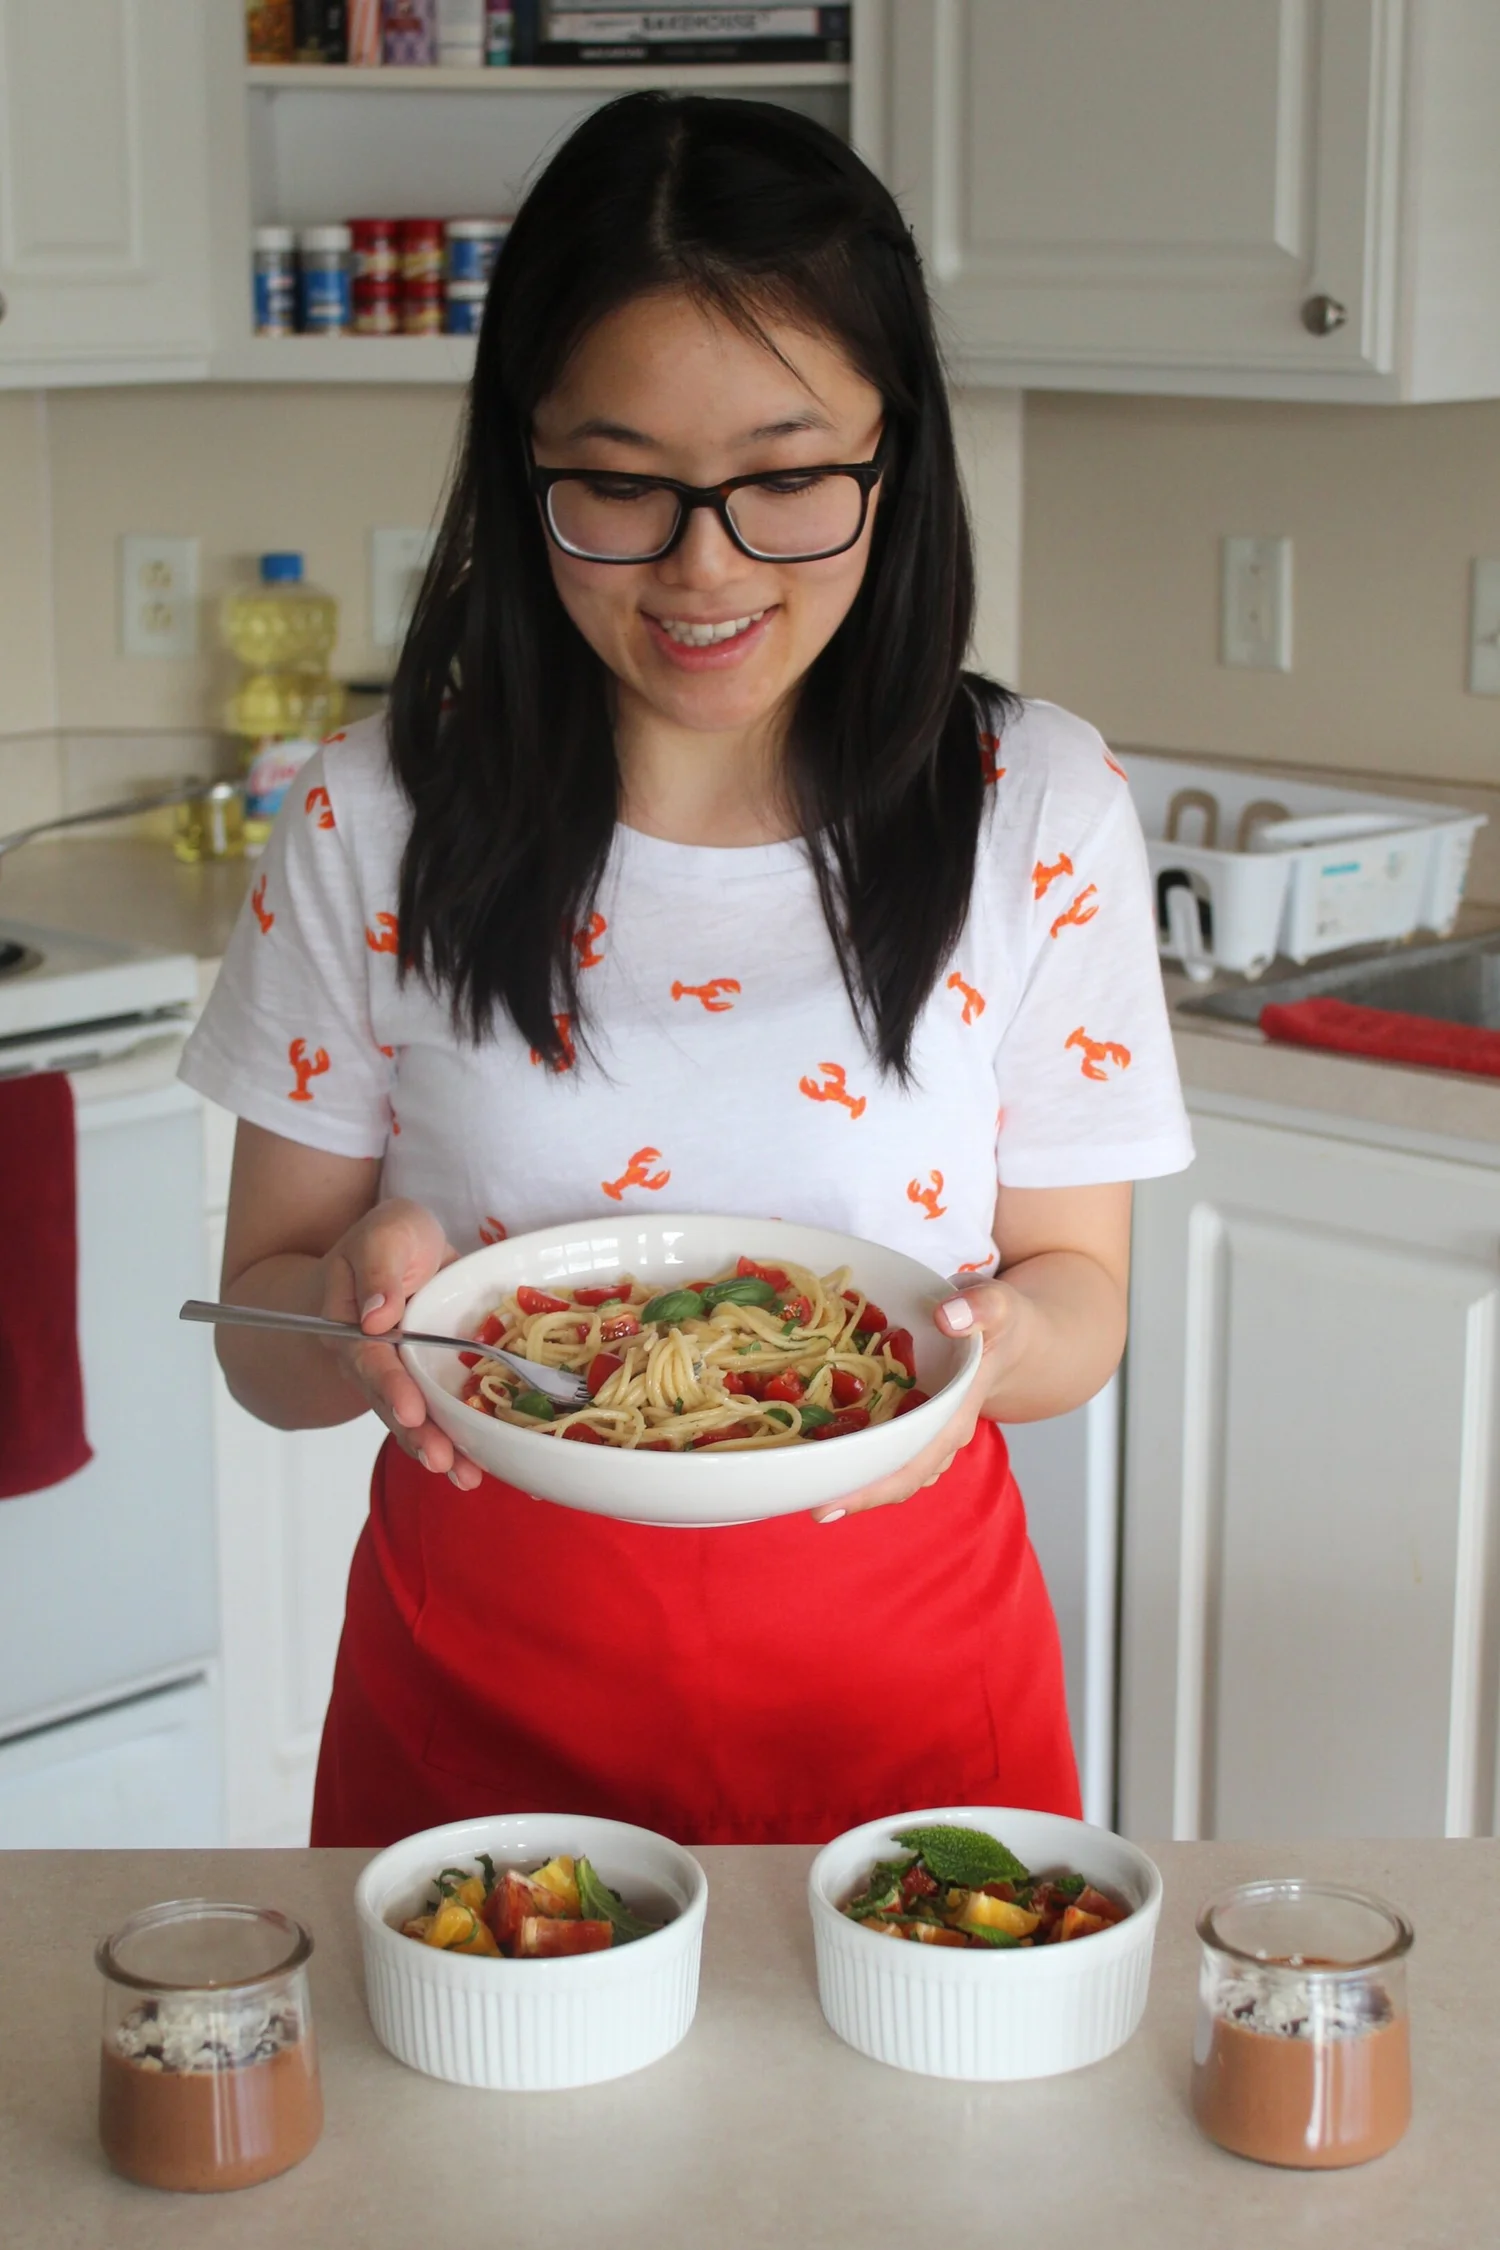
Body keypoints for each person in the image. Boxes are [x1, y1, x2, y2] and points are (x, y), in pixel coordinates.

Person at [181, 93, 1193, 1848]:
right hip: (476, 1715)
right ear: (524, 466)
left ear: (894, 455)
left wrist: (1002, 1342)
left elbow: (1081, 1300)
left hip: (909, 1702)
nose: (703, 564)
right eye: (620, 484)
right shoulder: (373, 815)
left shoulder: (1035, 804)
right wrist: (351, 1304)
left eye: (788, 478)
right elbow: (262, 1340)